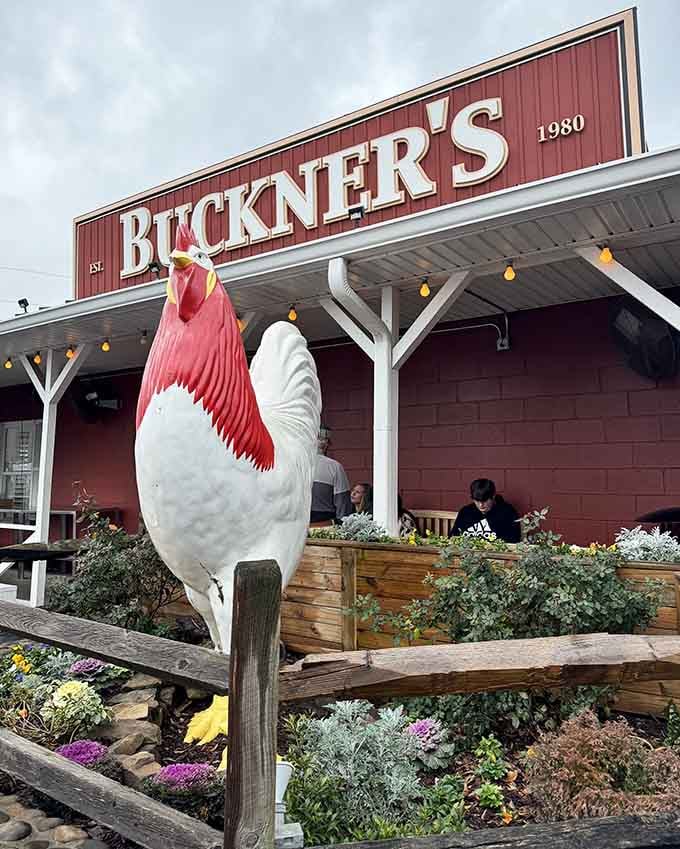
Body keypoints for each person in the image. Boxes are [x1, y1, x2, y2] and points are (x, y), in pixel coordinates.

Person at [449, 478, 521, 542]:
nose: (481, 505)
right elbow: (453, 536)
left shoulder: (507, 512)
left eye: (485, 501)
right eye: (477, 501)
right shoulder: (466, 512)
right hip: (466, 553)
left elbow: (513, 539)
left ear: (493, 496)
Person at [310, 427, 353, 524]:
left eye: (325, 439)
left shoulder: (295, 464)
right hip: (324, 524)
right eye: (319, 438)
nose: (322, 442)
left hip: (298, 524)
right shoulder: (335, 467)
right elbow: (342, 503)